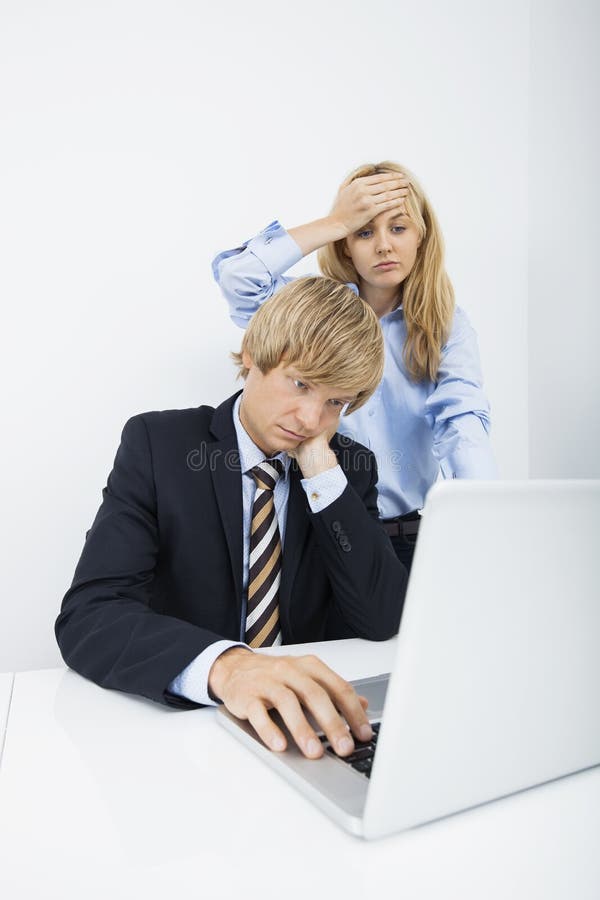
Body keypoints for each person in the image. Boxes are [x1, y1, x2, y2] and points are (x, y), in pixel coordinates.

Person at [55, 276, 407, 761]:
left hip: (306, 730)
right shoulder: (159, 444)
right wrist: (226, 667)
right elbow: (90, 615)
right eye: (301, 384)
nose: (309, 419)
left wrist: (321, 472)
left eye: (335, 403)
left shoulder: (348, 467)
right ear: (251, 354)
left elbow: (379, 618)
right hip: (185, 732)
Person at [213, 161, 498, 571]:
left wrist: (486, 513)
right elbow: (239, 279)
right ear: (345, 244)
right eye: (364, 232)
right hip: (315, 527)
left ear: (421, 236)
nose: (383, 246)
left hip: (405, 537)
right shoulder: (309, 310)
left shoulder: (446, 327)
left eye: (398, 228)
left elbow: (463, 422)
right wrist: (335, 221)